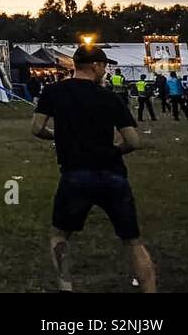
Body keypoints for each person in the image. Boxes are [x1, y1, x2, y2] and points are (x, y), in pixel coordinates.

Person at [30, 44, 155, 293]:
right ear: (96, 66)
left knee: (60, 235)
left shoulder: (54, 92)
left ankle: (66, 287)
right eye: (104, 66)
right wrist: (114, 150)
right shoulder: (109, 96)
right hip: (112, 174)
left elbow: (36, 128)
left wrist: (60, 136)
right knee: (132, 241)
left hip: (75, 174)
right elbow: (133, 141)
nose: (105, 71)